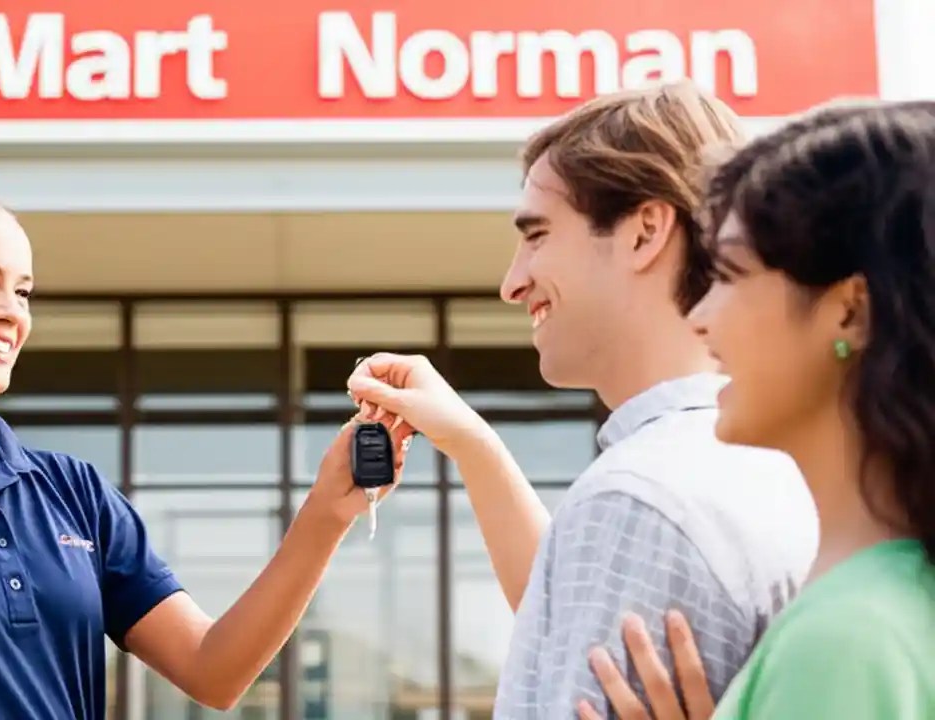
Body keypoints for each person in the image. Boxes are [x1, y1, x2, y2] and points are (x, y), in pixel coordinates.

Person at [0, 184, 411, 719]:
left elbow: (215, 670)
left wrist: (328, 512)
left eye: (23, 291)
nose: (11, 311)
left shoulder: (72, 492)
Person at [346, 80, 819, 718]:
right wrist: (474, 446)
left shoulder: (637, 500)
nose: (512, 283)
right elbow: (565, 616)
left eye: (537, 235)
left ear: (644, 232)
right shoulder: (773, 469)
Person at [579, 99, 935, 720]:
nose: (699, 317)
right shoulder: (893, 603)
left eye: (729, 274)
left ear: (850, 310)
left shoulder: (845, 641)